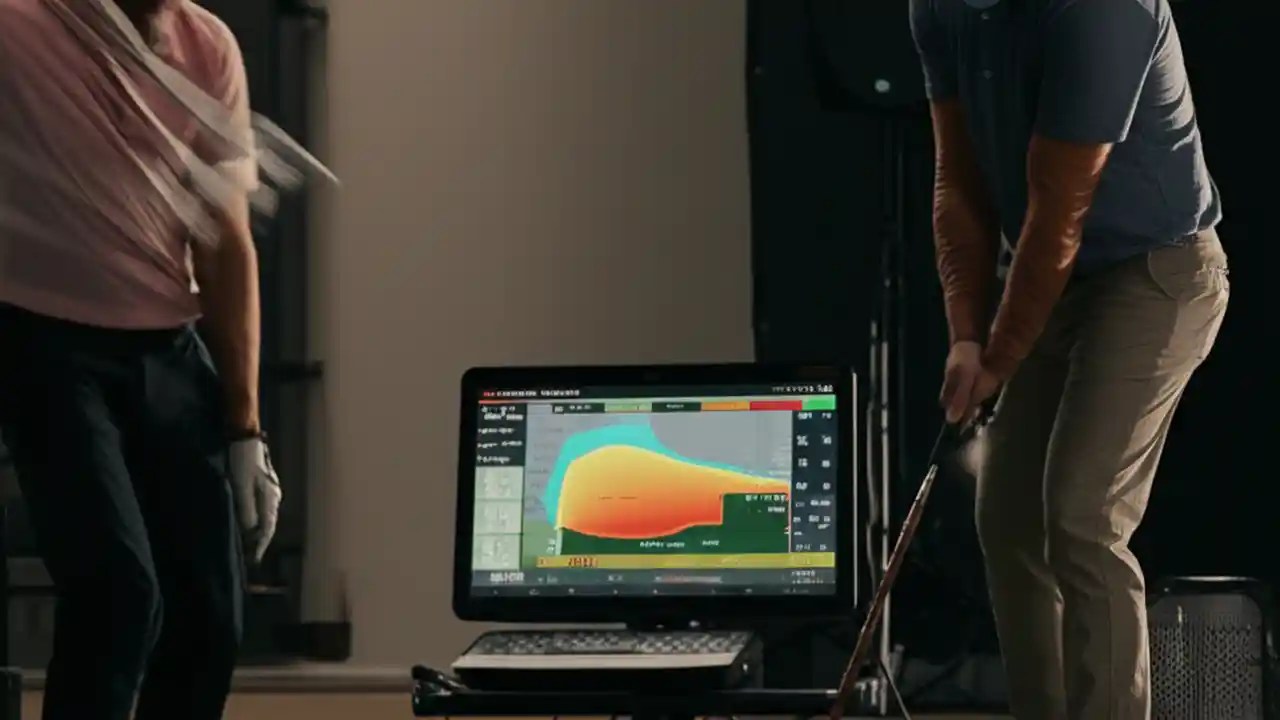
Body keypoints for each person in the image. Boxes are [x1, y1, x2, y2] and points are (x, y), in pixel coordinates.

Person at [909, 0, 1228, 718]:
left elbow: (1059, 210)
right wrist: (966, 336)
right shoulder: (939, 7)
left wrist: (998, 354)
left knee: (1082, 516)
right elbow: (956, 182)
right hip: (1051, 276)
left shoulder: (1102, 9)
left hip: (1155, 273)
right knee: (1009, 520)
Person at [0, 0, 283, 718]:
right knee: (120, 596)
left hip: (167, 349)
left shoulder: (207, 44)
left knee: (211, 617)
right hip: (43, 343)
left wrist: (245, 431)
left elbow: (225, 239)